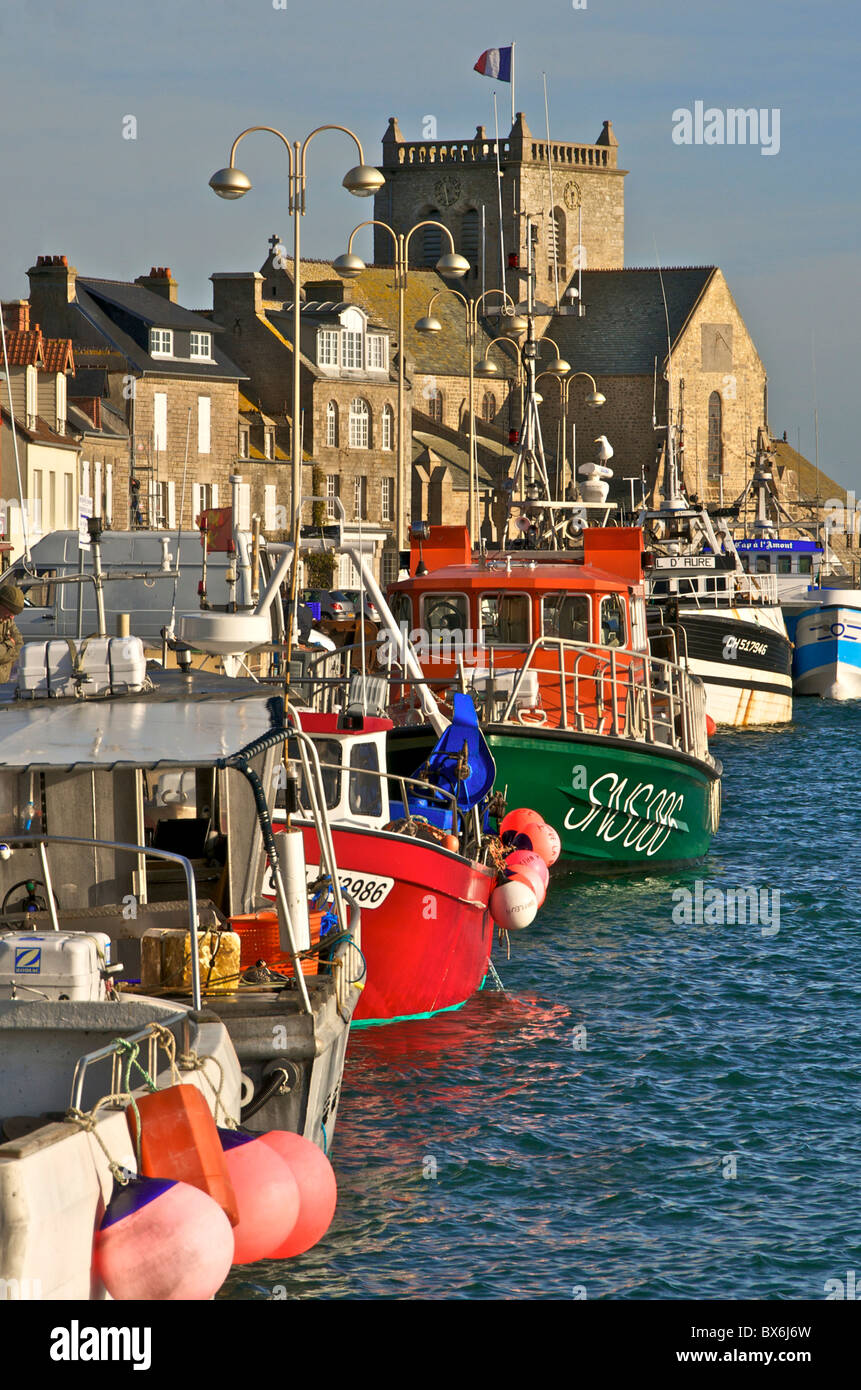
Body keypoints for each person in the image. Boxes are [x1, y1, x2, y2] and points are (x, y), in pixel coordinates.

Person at [0, 583, 25, 684]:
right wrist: (10, 643)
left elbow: (19, 643)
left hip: (4, 681)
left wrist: (6, 649)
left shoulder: (7, 620)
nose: (12, 617)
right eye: (10, 611)